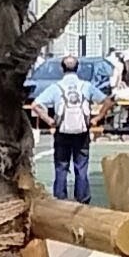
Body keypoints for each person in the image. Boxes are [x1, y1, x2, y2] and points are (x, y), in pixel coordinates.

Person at [36, 49, 99, 203]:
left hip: (62, 130)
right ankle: (83, 198)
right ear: (78, 68)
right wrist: (96, 118)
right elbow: (106, 100)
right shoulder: (86, 86)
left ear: (61, 68)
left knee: (61, 166)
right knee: (81, 166)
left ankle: (60, 199)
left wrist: (49, 120)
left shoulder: (56, 87)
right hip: (82, 131)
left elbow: (36, 105)